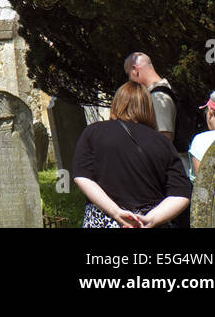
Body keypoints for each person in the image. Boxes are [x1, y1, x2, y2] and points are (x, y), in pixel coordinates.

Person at [72, 81, 191, 228]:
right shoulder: (162, 142)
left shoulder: (93, 132)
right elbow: (181, 193)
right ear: (148, 107)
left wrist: (115, 212)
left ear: (117, 103)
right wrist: (150, 219)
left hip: (103, 221)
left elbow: (82, 177)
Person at [124, 52, 194, 172]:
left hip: (174, 173)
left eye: (128, 74)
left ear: (135, 70)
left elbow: (164, 139)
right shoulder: (169, 90)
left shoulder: (158, 97)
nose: (130, 79)